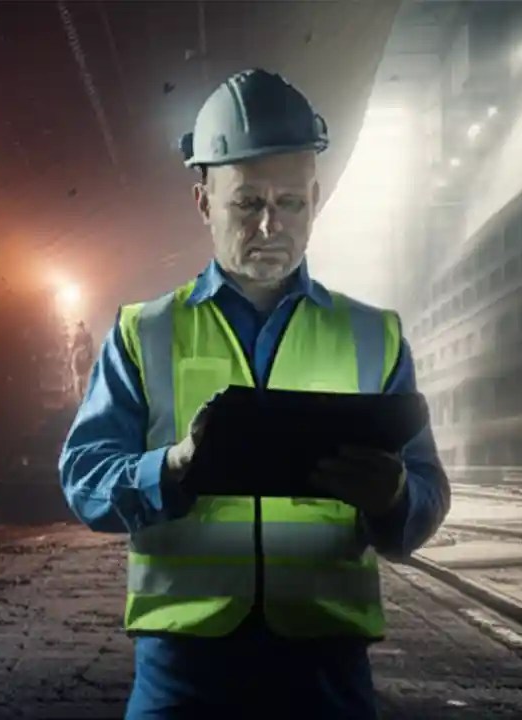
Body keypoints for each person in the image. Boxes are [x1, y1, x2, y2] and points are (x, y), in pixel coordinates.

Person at [57, 68, 451, 718]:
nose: (271, 225)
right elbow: (84, 477)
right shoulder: (143, 332)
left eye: (291, 203)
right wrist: (173, 466)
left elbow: (426, 494)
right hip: (184, 673)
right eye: (247, 203)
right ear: (203, 201)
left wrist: (395, 497)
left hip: (325, 676)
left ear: (316, 198)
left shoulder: (374, 336)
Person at [71, 320, 95, 399]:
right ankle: (82, 394)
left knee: (82, 377)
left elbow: (90, 345)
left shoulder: (80, 335)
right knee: (81, 377)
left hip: (82, 356)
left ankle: (83, 394)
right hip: (82, 356)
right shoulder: (84, 335)